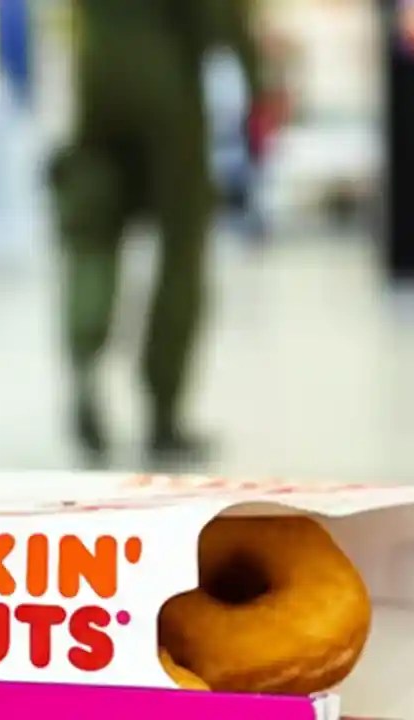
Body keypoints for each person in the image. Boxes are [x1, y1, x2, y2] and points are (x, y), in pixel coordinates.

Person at [50, 0, 282, 465]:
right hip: (167, 87)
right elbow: (218, 17)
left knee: (93, 237)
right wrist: (258, 88)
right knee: (181, 248)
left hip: (96, 79)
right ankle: (163, 415)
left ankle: (84, 365)